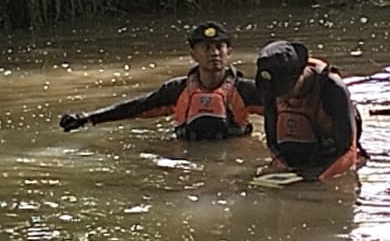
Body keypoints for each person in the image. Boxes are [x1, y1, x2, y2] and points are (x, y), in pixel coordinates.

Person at [59, 22, 263, 139]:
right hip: (186, 157)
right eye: (207, 48)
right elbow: (137, 107)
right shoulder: (176, 90)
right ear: (194, 54)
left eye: (219, 47)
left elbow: (282, 107)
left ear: (229, 52)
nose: (214, 53)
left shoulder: (246, 90)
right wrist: (88, 118)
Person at [252, 39, 366, 181]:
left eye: (286, 89)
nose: (283, 97)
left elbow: (348, 151)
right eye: (277, 92)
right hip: (294, 159)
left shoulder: (332, 88)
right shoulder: (269, 89)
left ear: (300, 74)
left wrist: (318, 183)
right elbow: (272, 143)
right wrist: (279, 168)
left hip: (330, 159)